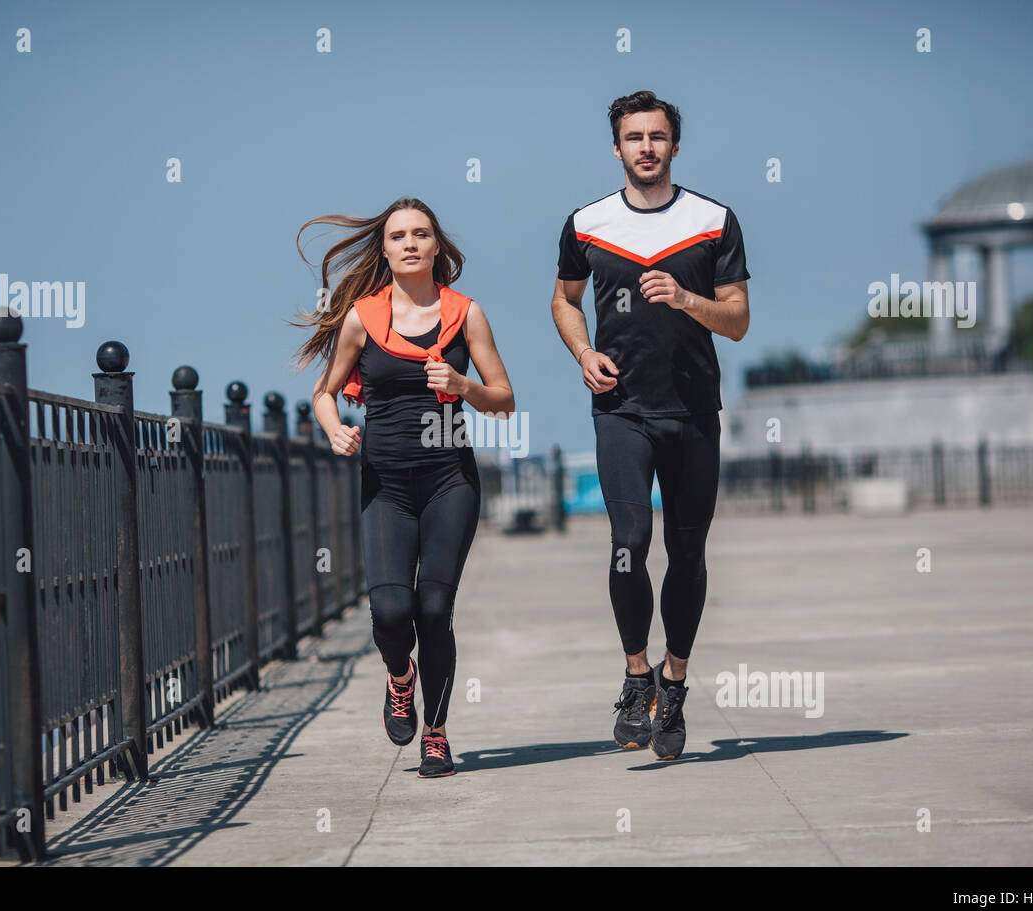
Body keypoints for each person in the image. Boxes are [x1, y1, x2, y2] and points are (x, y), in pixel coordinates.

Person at [550, 91, 751, 760]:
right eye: (633, 137)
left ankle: (676, 683)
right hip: (622, 410)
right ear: (616, 148)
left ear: (673, 145)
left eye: (657, 137)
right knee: (629, 540)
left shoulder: (713, 221)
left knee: (688, 552)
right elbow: (564, 299)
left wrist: (686, 297)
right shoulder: (586, 224)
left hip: (693, 410)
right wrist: (584, 353)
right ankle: (638, 676)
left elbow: (739, 320)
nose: (645, 147)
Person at [295, 197, 515, 778]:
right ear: (386, 248)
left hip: (449, 481)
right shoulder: (360, 319)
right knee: (392, 610)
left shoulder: (466, 314)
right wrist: (335, 428)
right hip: (385, 484)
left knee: (435, 608)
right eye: (399, 236)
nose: (411, 243)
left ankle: (436, 734)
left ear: (436, 245)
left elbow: (504, 400)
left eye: (421, 234)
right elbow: (324, 391)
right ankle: (400, 677)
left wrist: (463, 384)